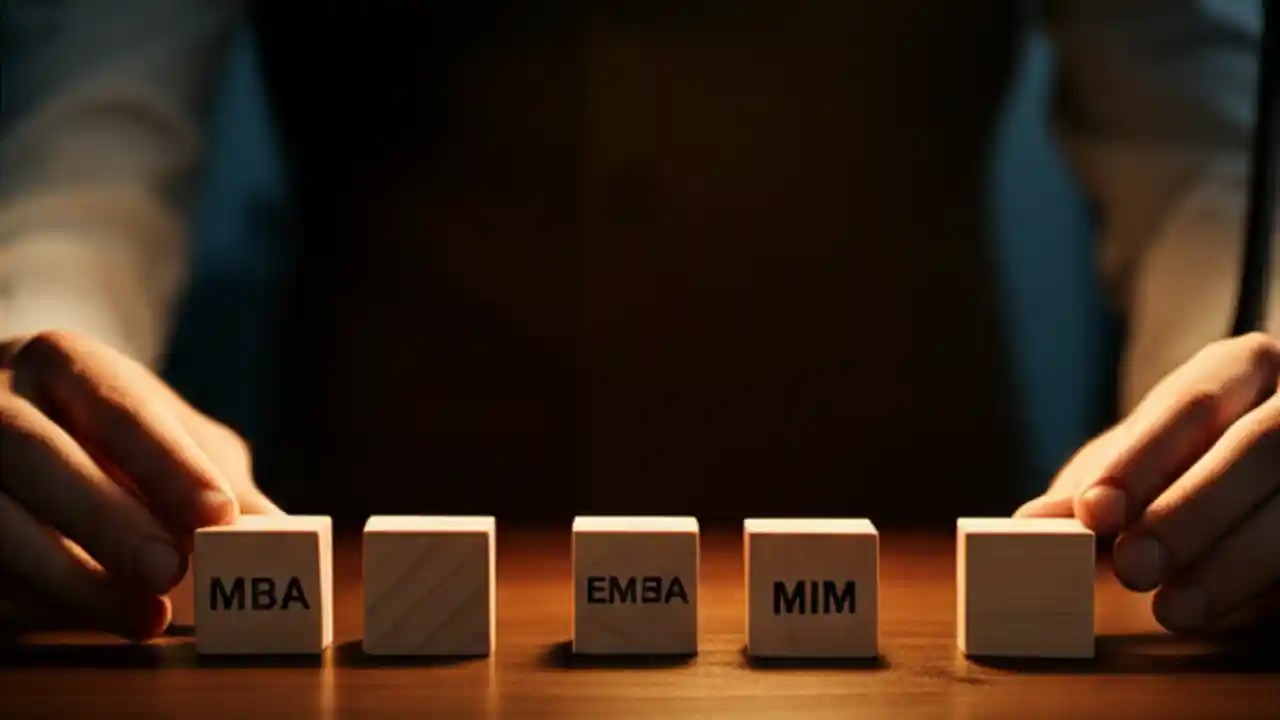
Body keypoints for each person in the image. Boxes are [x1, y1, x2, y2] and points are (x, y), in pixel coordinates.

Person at [0, 2, 1272, 641]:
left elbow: (1207, 129)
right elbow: (86, 113)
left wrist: (1251, 404)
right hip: (362, 576)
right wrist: (37, 376)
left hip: (923, 568)